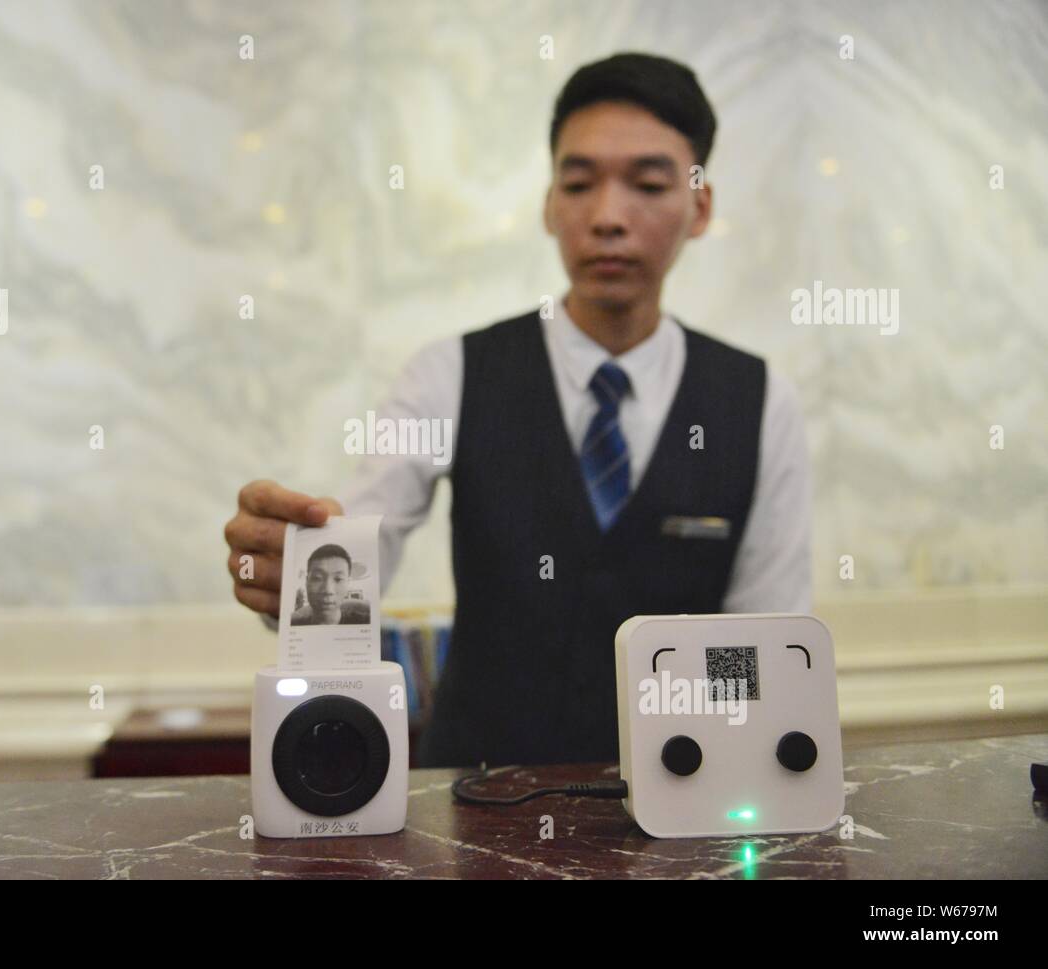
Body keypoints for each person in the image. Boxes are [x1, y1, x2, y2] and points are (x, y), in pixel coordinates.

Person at [224, 52, 811, 768]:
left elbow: (764, 633)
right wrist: (299, 574)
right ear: (547, 204)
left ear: (700, 207)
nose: (607, 218)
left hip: (676, 804)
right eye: (578, 183)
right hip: (476, 803)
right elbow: (362, 541)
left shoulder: (757, 400)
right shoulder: (450, 372)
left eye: (650, 184)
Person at [290, 544, 371, 625]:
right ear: (306, 582)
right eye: (317, 578)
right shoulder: (291, 624)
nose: (328, 590)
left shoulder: (368, 621)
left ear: (347, 584)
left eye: (338, 579)